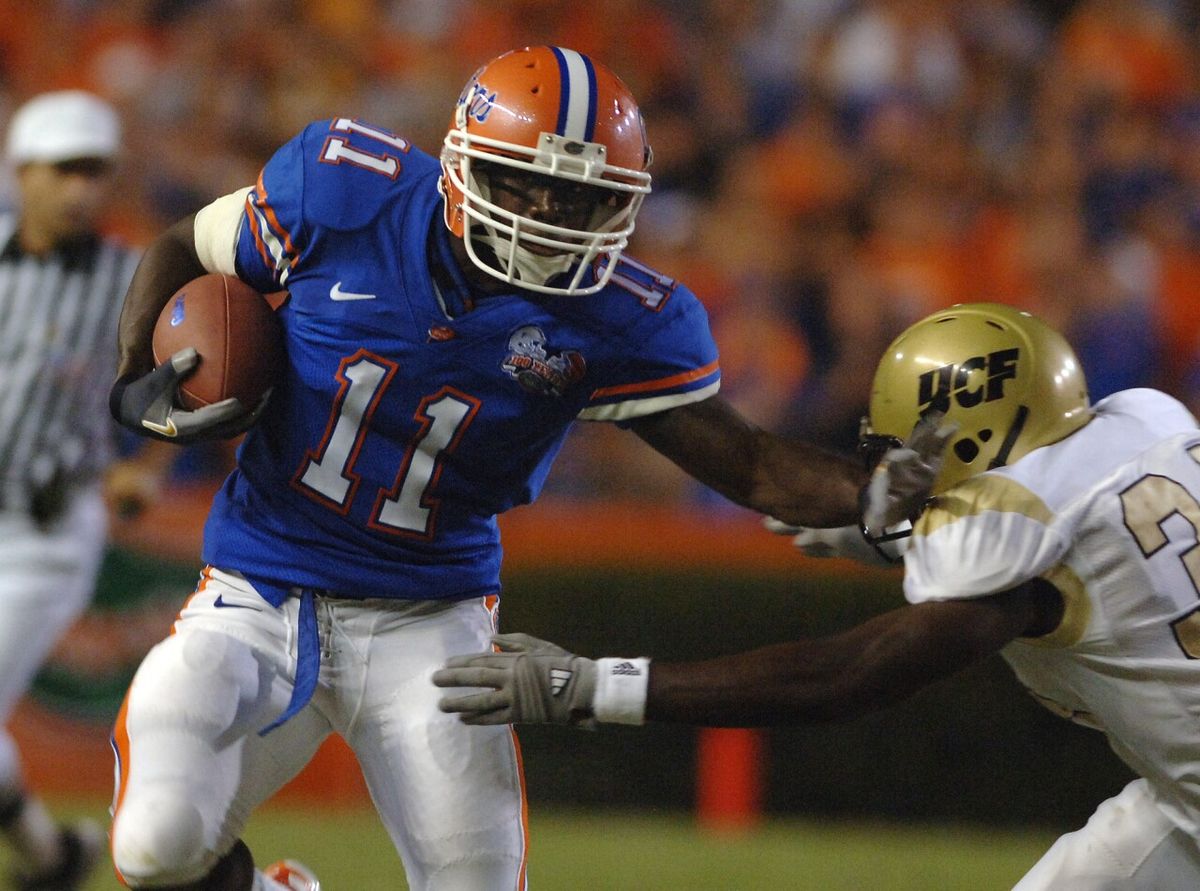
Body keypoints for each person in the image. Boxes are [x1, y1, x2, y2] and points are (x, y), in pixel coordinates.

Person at [104, 45, 947, 891]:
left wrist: (873, 495)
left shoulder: (619, 319)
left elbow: (753, 465)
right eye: (526, 185)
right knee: (156, 844)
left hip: (430, 622)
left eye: (581, 198)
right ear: (463, 166)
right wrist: (134, 372)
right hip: (256, 589)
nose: (550, 214)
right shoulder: (343, 193)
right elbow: (186, 244)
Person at [435, 300, 1200, 890]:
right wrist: (897, 536)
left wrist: (596, 687)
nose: (901, 466)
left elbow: (841, 675)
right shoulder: (1142, 427)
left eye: (918, 448)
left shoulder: (1012, 567)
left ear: (971, 441)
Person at [0, 89, 174, 890]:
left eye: (94, 171)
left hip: (44, 532)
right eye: (64, 170)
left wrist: (144, 468)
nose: (80, 189)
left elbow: (189, 388)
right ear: (23, 171)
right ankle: (50, 854)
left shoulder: (128, 279)